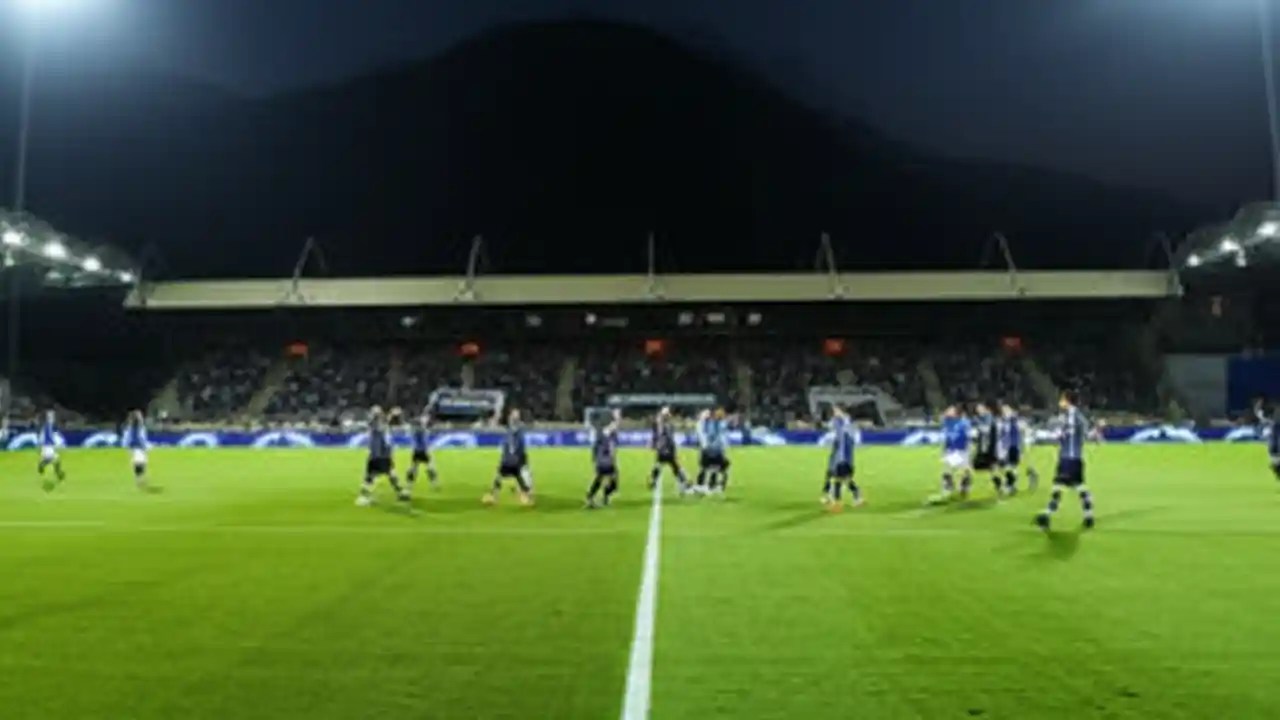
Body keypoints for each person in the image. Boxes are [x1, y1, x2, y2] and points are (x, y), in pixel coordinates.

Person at [1035, 390, 1095, 531]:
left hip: (1069, 458)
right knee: (1078, 486)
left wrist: (1043, 435)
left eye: (1062, 399)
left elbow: (1064, 433)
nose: (1060, 402)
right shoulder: (1079, 416)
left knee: (1059, 486)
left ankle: (1046, 516)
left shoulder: (1071, 415)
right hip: (1073, 457)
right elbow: (1085, 434)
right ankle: (1088, 516)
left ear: (1067, 400)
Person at [356, 407, 409, 507]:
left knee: (378, 475)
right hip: (380, 454)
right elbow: (379, 425)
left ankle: (364, 497)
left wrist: (390, 416)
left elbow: (382, 426)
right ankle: (401, 493)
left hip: (380, 454)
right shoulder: (378, 425)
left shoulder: (379, 426)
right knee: (383, 474)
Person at [485, 408, 534, 506]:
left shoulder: (516, 428)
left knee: (502, 476)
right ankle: (524, 496)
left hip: (513, 458)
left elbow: (514, 442)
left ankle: (494, 496)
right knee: (514, 476)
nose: (515, 416)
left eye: (516, 415)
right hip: (513, 458)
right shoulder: (513, 428)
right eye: (514, 414)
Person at [822, 406, 862, 510]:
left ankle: (837, 502)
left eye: (836, 411)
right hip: (846, 459)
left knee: (838, 480)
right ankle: (857, 497)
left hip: (843, 460)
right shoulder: (847, 431)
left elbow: (838, 427)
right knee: (846, 480)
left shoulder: (844, 430)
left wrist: (838, 418)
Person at [930, 405, 971, 503]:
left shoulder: (963, 422)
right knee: (947, 469)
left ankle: (964, 487)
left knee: (964, 470)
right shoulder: (947, 421)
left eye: (950, 410)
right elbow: (938, 420)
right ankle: (949, 488)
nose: (947, 411)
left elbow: (967, 436)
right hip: (950, 450)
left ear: (956, 412)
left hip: (961, 450)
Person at [997, 402, 1037, 494]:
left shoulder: (1016, 420)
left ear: (1011, 410)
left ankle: (1011, 485)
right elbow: (1001, 433)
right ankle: (1012, 484)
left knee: (1011, 466)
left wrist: (1028, 438)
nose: (1005, 412)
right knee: (1004, 467)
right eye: (1003, 410)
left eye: (1007, 410)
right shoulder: (1002, 420)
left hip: (1014, 446)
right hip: (1005, 447)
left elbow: (1025, 429)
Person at [585, 409, 621, 508]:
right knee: (608, 480)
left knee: (602, 478)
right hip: (604, 459)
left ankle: (593, 497)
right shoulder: (605, 432)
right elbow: (599, 446)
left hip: (605, 459)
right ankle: (595, 497)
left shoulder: (611, 433)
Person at [649, 406, 689, 493]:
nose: (668, 416)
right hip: (665, 448)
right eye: (666, 414)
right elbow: (660, 436)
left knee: (663, 465)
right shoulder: (662, 424)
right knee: (670, 465)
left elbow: (662, 436)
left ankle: (653, 480)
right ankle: (683, 482)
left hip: (666, 448)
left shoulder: (665, 424)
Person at [696, 408, 731, 495]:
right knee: (708, 467)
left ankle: (709, 485)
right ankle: (705, 485)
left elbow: (719, 436)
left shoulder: (714, 423)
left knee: (712, 467)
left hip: (713, 449)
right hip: (710, 449)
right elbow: (705, 435)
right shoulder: (705, 424)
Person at [971, 402, 1000, 495]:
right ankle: (998, 482)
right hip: (982, 447)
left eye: (980, 409)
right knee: (977, 465)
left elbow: (986, 430)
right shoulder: (978, 419)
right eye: (977, 409)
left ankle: (999, 483)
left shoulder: (989, 417)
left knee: (991, 466)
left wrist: (978, 427)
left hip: (990, 447)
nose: (979, 411)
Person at [406, 410, 439, 490]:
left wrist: (422, 420)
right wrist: (424, 420)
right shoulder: (422, 430)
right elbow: (425, 423)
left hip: (416, 450)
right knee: (430, 466)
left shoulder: (413, 430)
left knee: (413, 468)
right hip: (424, 450)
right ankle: (434, 483)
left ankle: (409, 484)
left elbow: (418, 423)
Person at [37, 409, 66, 484]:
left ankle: (58, 474)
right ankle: (42, 466)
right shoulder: (48, 425)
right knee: (52, 460)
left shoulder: (47, 425)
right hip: (48, 446)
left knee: (55, 460)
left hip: (47, 446)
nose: (53, 418)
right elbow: (48, 436)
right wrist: (54, 443)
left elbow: (44, 436)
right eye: (52, 416)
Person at [122, 409, 150, 489]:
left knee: (139, 463)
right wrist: (145, 446)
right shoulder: (138, 428)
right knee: (141, 463)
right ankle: (139, 480)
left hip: (134, 447)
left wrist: (126, 445)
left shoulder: (131, 428)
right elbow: (141, 438)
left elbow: (127, 437)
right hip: (138, 447)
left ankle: (139, 480)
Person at [1255, 399, 1280, 480]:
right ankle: (1276, 466)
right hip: (1275, 429)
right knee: (1273, 448)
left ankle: (1276, 466)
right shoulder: (1273, 426)